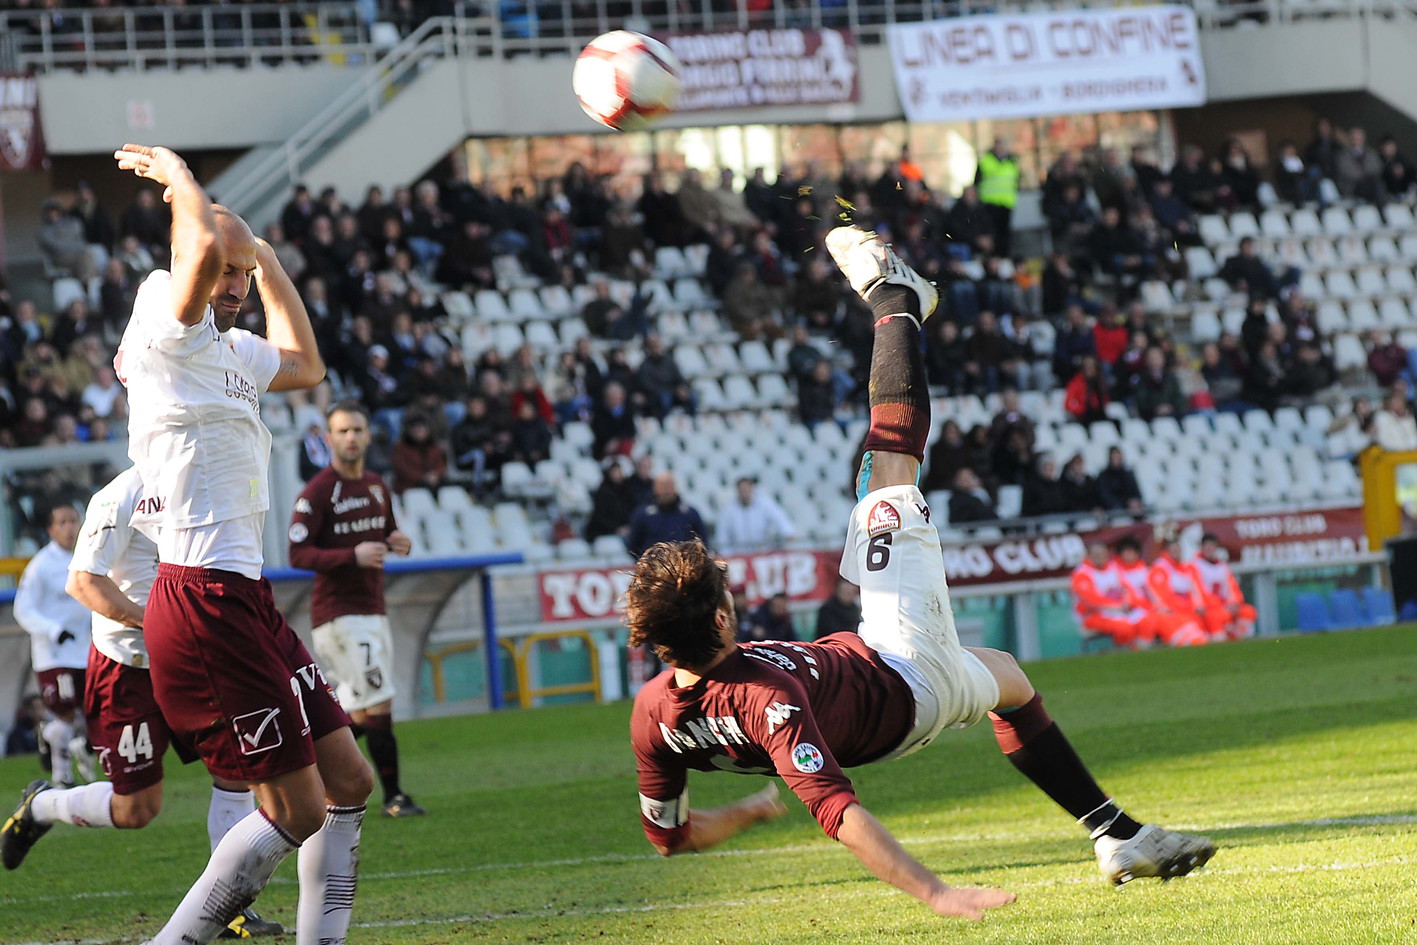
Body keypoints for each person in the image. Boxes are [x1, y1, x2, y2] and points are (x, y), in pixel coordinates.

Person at [628, 228, 1214, 920]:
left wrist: (750, 811)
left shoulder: (651, 715)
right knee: (886, 472)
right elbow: (838, 811)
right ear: (721, 619)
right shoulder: (769, 695)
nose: (731, 582)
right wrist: (935, 890)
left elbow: (671, 836)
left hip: (891, 674)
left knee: (1007, 680)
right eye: (725, 584)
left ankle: (1116, 834)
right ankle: (894, 295)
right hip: (905, 668)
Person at [105, 143, 373, 945]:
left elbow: (307, 362)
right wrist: (184, 182)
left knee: (350, 781)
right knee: (293, 806)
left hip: (244, 596)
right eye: (221, 269)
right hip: (199, 599)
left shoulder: (231, 352)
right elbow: (189, 259)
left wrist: (262, 261)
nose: (228, 284)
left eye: (236, 274)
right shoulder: (167, 328)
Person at [3, 468, 283, 938]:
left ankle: (231, 903)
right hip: (128, 667)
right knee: (137, 809)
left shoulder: (208, 475)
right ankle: (41, 806)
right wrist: (158, 621)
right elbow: (84, 584)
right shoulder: (120, 494)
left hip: (194, 658)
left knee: (234, 772)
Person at [288, 402, 426, 819]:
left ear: (368, 436)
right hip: (339, 615)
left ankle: (302, 769)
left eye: (357, 430)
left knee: (362, 712)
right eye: (342, 431)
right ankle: (395, 797)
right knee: (380, 704)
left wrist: (397, 539)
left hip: (372, 609)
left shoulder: (376, 486)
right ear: (328, 439)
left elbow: (384, 533)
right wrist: (352, 556)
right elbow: (298, 554)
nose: (350, 437)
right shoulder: (317, 491)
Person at [12, 502, 95, 791]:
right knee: (66, 715)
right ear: (51, 529)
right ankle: (62, 777)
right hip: (54, 655)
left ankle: (58, 740)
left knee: (94, 713)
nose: (70, 527)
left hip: (86, 651)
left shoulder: (86, 558)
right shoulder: (40, 566)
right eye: (62, 522)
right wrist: (53, 630)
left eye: (74, 520)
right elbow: (22, 610)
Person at [1146, 534, 1227, 644]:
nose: (1176, 553)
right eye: (1173, 550)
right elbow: (1161, 596)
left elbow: (1195, 590)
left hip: (1190, 613)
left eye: (1178, 550)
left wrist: (1198, 606)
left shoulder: (1185, 568)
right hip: (1173, 615)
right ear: (1166, 551)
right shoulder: (1160, 568)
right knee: (1196, 640)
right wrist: (1176, 610)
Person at [1189, 534, 1257, 640]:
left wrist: (1234, 603)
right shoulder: (1194, 566)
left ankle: (1242, 640)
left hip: (1225, 605)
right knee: (1216, 617)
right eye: (1207, 547)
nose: (1209, 550)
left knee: (1248, 611)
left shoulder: (1222, 566)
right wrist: (1213, 605)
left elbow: (1232, 587)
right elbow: (1196, 589)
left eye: (1212, 546)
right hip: (1209, 608)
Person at [625, 472, 709, 558]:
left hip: (684, 566)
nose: (666, 491)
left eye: (669, 486)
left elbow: (703, 542)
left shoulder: (690, 513)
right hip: (653, 566)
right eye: (662, 486)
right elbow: (633, 546)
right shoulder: (642, 514)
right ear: (655, 488)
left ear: (675, 488)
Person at [715, 477, 797, 554]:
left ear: (752, 489)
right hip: (739, 555)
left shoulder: (765, 505)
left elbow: (780, 520)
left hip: (763, 554)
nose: (744, 493)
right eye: (742, 490)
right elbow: (722, 538)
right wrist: (729, 556)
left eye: (746, 490)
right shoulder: (728, 511)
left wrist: (788, 533)